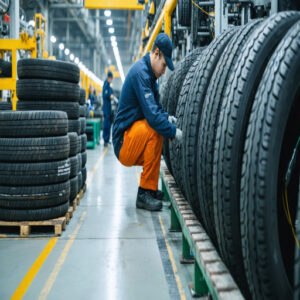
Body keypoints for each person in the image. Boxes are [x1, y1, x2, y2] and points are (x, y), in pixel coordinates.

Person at [112, 33, 182, 212]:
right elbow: (152, 116)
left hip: (133, 136)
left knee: (158, 128)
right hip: (123, 142)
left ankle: (149, 190)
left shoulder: (151, 77)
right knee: (155, 129)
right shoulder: (140, 74)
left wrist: (167, 118)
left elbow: (156, 110)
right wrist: (174, 132)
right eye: (164, 65)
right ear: (156, 53)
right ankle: (144, 193)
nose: (164, 71)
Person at [102, 71, 114, 147]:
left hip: (109, 109)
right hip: (106, 108)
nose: (111, 80)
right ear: (109, 77)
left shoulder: (109, 85)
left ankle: (107, 139)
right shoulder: (106, 85)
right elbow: (106, 95)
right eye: (111, 78)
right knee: (106, 124)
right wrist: (111, 96)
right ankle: (105, 140)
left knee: (109, 124)